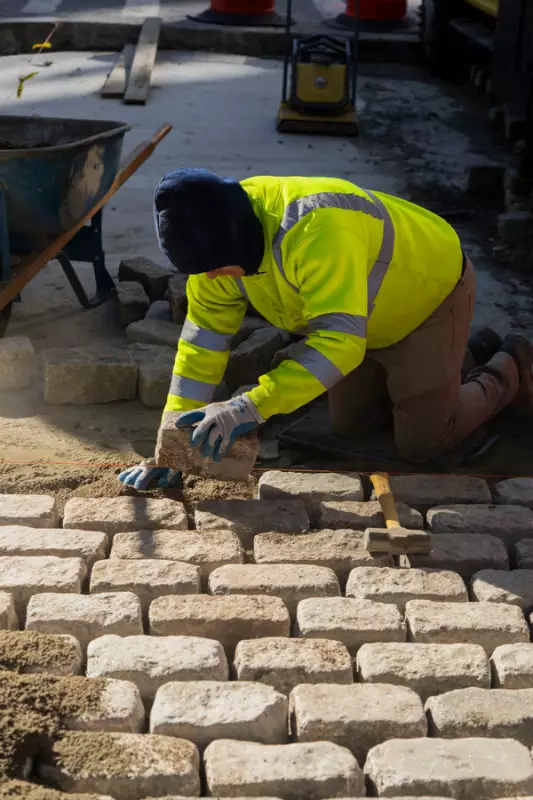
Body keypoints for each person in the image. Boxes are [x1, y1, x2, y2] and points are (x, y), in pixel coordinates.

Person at [119, 168, 533, 490]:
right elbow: (201, 348)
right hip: (359, 320)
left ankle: (509, 364)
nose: (211, 280)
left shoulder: (318, 232)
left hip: (426, 298)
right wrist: (169, 449)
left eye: (215, 270)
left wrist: (248, 407)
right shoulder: (216, 244)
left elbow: (339, 347)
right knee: (351, 427)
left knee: (423, 443)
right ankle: (460, 354)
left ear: (239, 242)